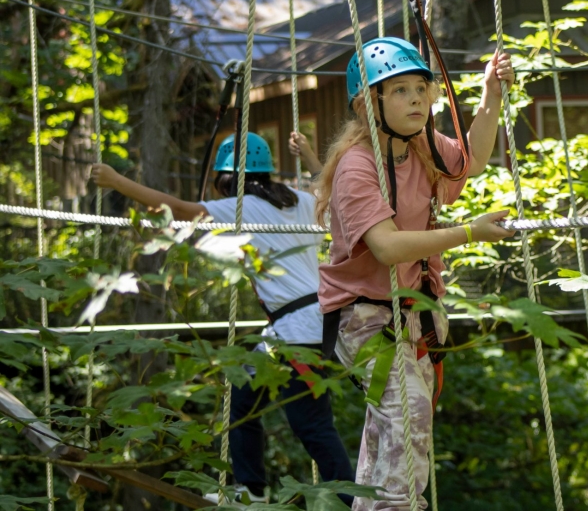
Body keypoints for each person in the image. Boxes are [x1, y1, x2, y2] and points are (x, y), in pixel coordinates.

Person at [90, 131, 355, 506]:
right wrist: (311, 156)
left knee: (310, 422)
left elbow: (178, 210)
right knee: (244, 398)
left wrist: (117, 182)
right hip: (307, 324)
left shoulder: (241, 207)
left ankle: (346, 499)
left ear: (227, 178)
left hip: (297, 329)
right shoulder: (299, 200)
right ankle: (251, 490)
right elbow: (330, 191)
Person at [316, 37, 515, 510]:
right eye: (400, 91)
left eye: (421, 90)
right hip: (363, 317)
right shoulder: (356, 165)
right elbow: (385, 246)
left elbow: (472, 159)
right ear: (369, 103)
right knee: (408, 416)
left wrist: (490, 95)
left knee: (389, 433)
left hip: (412, 316)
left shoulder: (421, 147)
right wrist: (468, 232)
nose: (416, 100)